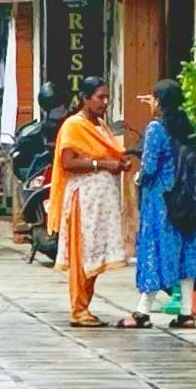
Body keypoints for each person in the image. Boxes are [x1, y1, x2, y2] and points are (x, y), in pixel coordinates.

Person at [47, 80, 130, 325]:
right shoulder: (74, 125)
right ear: (85, 98)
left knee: (95, 253)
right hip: (83, 199)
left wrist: (119, 163)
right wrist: (103, 165)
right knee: (81, 253)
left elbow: (108, 153)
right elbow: (68, 163)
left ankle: (86, 307)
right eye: (100, 97)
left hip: (101, 201)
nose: (105, 102)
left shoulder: (101, 126)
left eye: (107, 98)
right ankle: (79, 309)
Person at [134, 74, 196, 328]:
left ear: (158, 101)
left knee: (156, 250)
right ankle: (187, 313)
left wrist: (138, 179)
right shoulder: (188, 127)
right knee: (187, 250)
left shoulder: (156, 128)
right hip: (188, 198)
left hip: (162, 199)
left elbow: (149, 167)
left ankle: (142, 311)